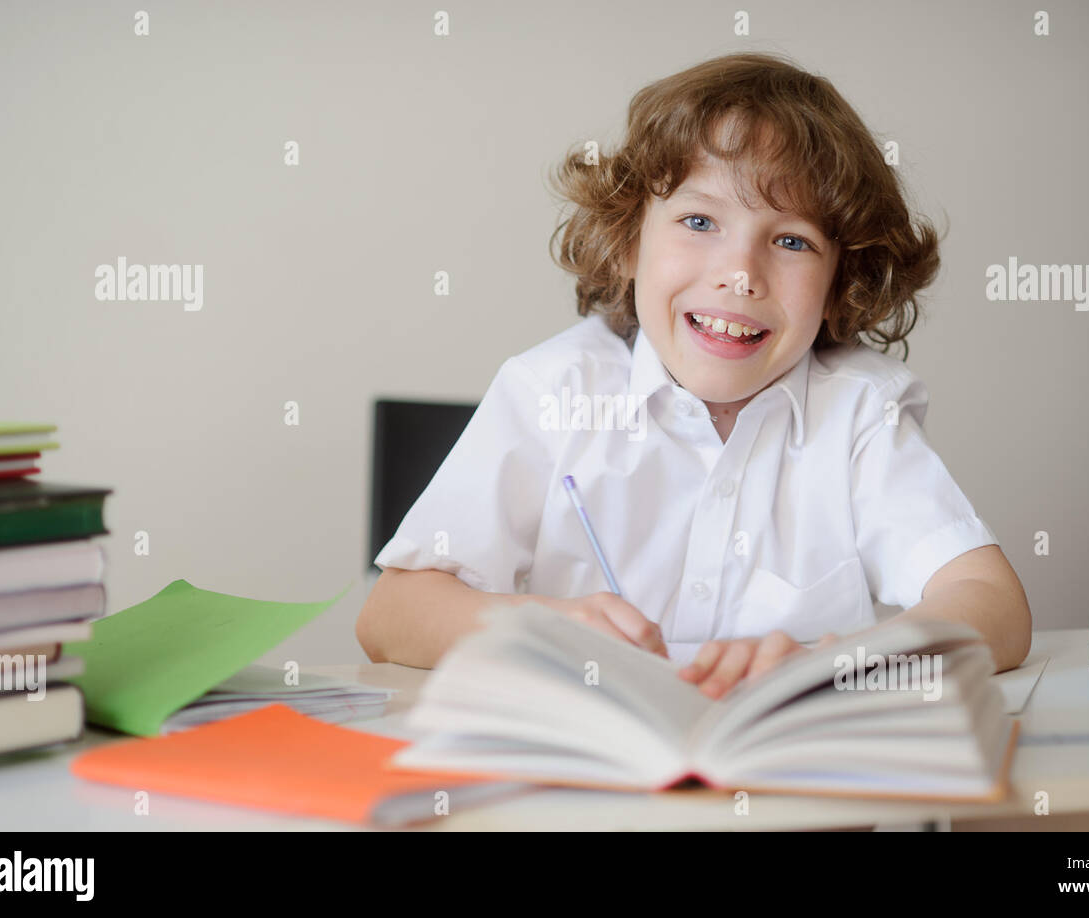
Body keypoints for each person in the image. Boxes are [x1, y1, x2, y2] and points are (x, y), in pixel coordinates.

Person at [358, 52, 1032, 699]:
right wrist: (537, 628)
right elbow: (389, 616)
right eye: (700, 220)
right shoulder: (554, 392)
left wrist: (843, 664)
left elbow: (994, 606)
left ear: (837, 286)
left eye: (791, 240)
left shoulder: (860, 413)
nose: (740, 272)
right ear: (628, 243)